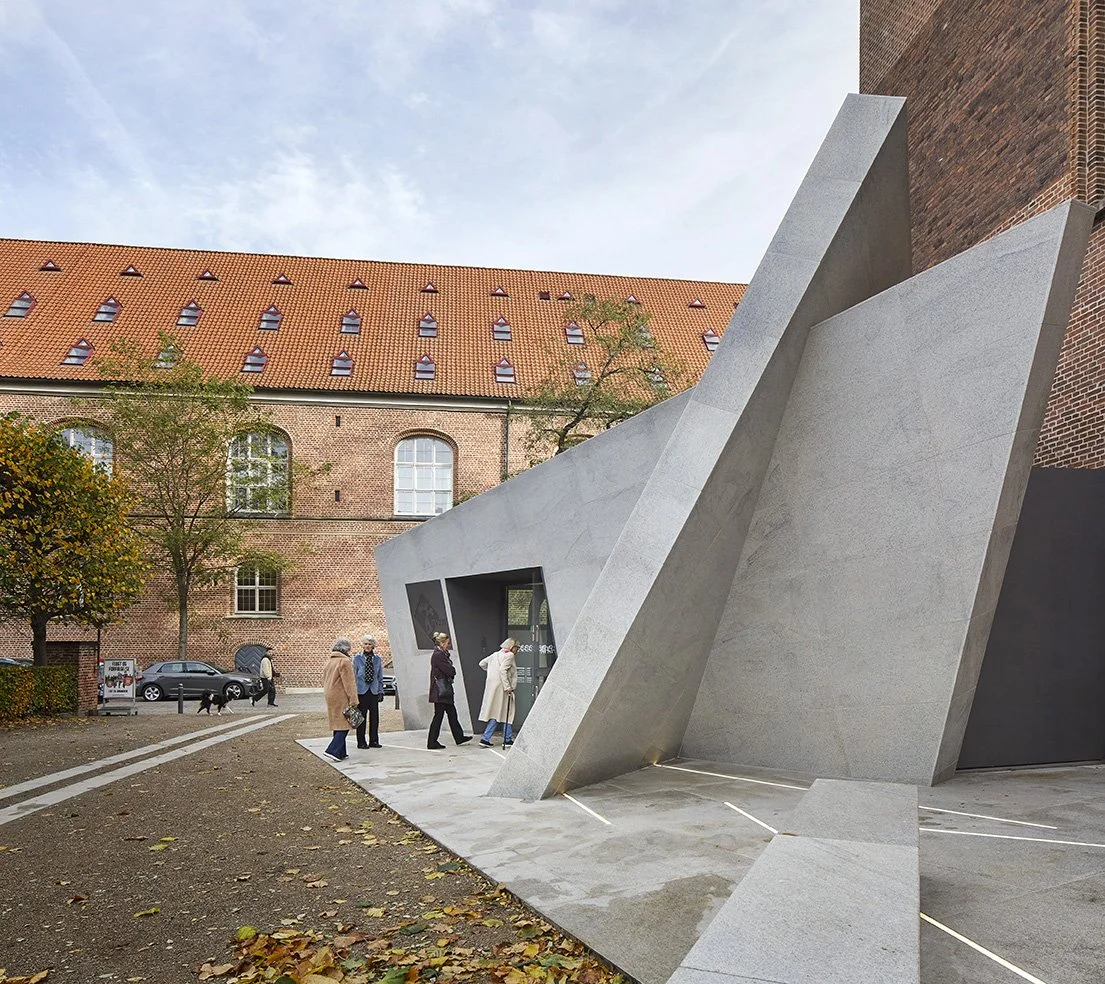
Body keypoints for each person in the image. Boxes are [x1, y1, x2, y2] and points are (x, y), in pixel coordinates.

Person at [427, 631, 472, 750]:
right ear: (441, 643)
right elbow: (449, 670)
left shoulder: (441, 654)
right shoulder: (439, 655)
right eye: (447, 643)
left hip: (443, 691)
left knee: (451, 713)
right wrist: (452, 670)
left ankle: (459, 737)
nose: (448, 645)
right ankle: (432, 741)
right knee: (439, 716)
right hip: (441, 690)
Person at [322, 638, 358, 761]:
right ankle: (333, 750)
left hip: (330, 695)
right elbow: (349, 683)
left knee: (338, 723)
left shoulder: (330, 661)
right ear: (346, 649)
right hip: (341, 695)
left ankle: (342, 752)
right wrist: (354, 699)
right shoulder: (345, 662)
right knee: (345, 723)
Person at [478, 638, 519, 748]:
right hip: (503, 688)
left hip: (493, 688)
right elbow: (502, 670)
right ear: (512, 647)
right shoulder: (509, 655)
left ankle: (486, 738)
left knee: (496, 713)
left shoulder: (495, 654)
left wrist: (491, 671)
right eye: (517, 648)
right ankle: (507, 738)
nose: (517, 650)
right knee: (508, 712)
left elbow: (482, 663)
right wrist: (508, 687)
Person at [352, 634, 384, 749]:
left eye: (370, 644)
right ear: (362, 645)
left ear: (373, 646)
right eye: (365, 644)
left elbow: (380, 676)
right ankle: (361, 742)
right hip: (361, 691)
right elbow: (353, 676)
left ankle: (374, 741)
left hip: (374, 691)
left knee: (374, 717)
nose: (367, 646)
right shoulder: (356, 659)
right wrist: (353, 693)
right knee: (362, 717)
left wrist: (381, 691)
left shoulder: (378, 659)